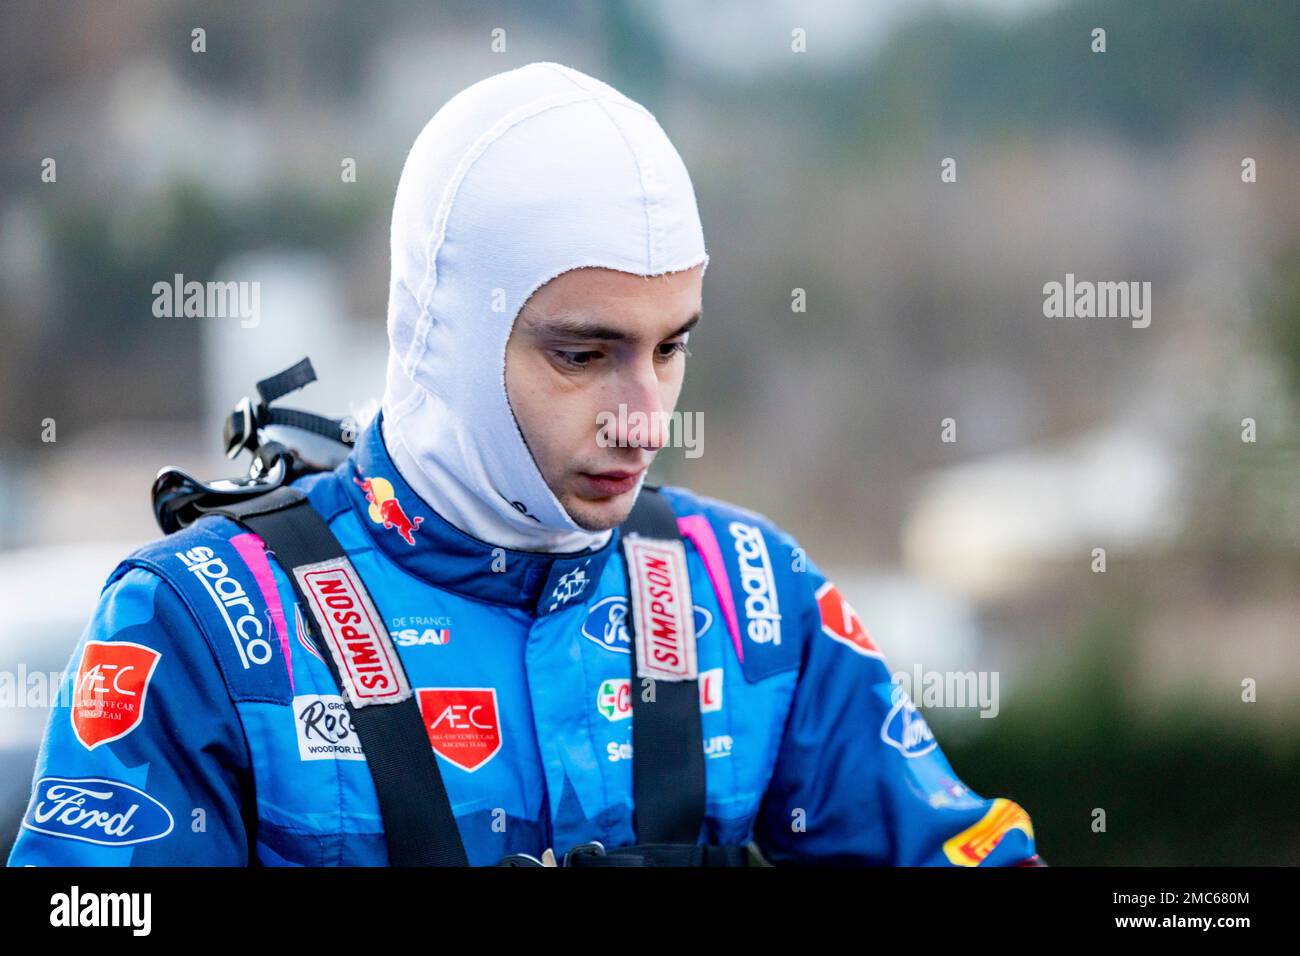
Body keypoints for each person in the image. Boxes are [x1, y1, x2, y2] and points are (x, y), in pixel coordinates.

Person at [8, 62, 1041, 867]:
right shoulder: (202, 626)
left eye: (671, 346)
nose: (643, 419)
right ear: (441, 334)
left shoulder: (747, 592)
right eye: (584, 353)